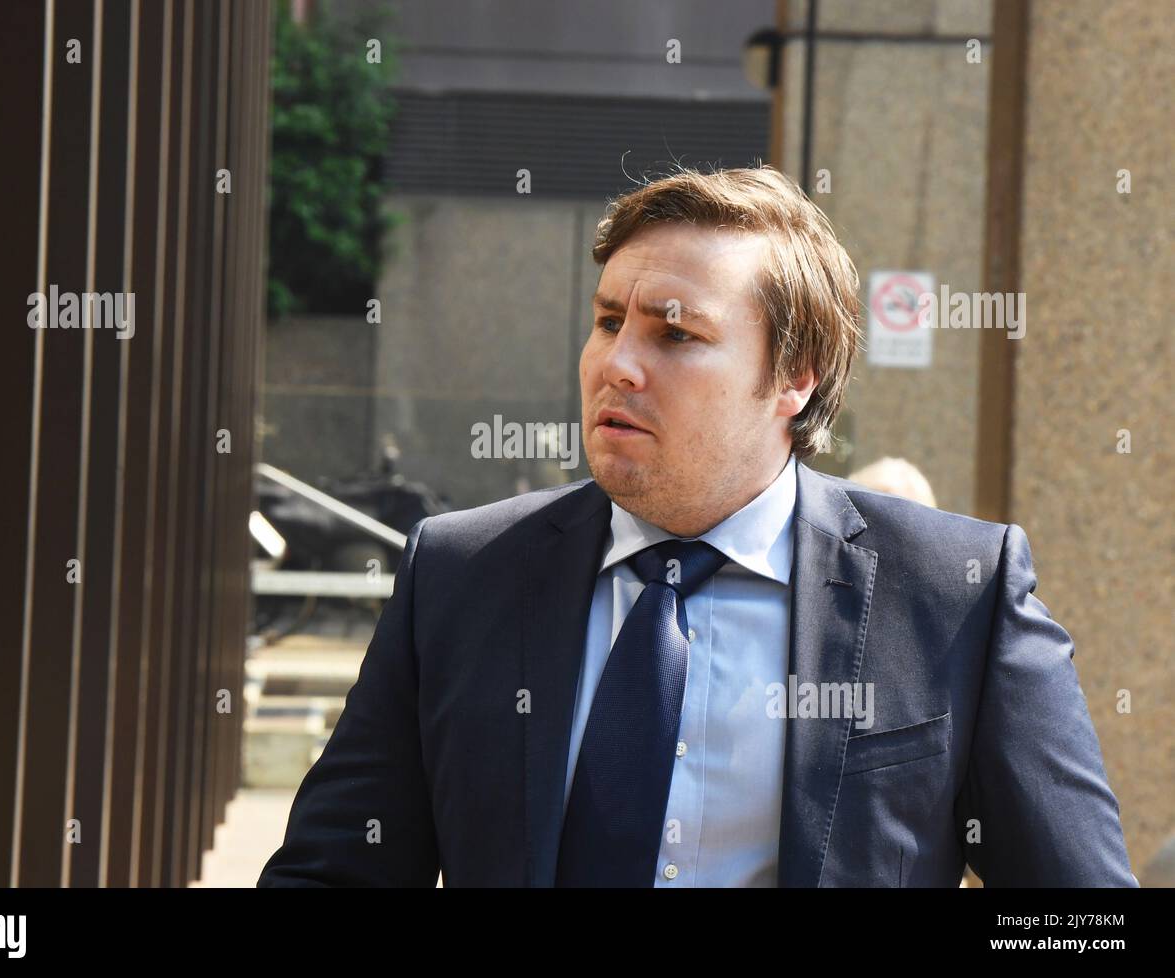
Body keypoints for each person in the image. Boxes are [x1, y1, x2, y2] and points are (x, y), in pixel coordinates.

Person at [258, 165, 1136, 887]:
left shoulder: (955, 595)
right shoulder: (460, 573)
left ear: (794, 375)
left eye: (674, 336)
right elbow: (335, 872)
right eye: (608, 321)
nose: (618, 365)